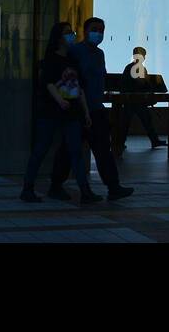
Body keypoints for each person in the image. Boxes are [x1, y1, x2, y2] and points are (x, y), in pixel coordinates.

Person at [49, 17, 134, 201]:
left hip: (96, 108)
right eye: (95, 29)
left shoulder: (99, 54)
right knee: (68, 149)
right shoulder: (75, 52)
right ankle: (56, 185)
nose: (99, 33)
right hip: (78, 108)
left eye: (102, 30)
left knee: (103, 149)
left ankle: (113, 186)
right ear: (85, 31)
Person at [22, 22, 100, 205]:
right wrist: (60, 100)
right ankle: (27, 188)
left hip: (71, 112)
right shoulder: (51, 60)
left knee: (75, 151)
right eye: (67, 33)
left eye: (71, 32)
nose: (71, 36)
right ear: (58, 38)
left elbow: (79, 88)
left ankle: (85, 191)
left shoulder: (73, 61)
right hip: (51, 112)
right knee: (41, 149)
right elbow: (48, 83)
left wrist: (86, 112)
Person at [118, 47, 164, 151]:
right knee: (146, 121)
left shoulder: (129, 67)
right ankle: (154, 140)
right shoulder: (138, 68)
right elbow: (141, 83)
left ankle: (120, 143)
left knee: (126, 123)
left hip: (130, 100)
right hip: (137, 100)